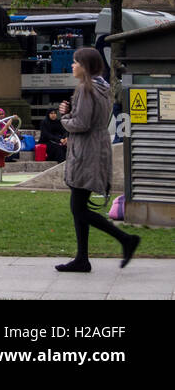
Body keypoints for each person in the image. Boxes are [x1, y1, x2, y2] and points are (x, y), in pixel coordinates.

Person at [55, 47, 140, 273]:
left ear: (85, 66)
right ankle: (82, 258)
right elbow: (91, 117)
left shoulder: (85, 88)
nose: (72, 65)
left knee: (78, 209)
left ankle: (126, 239)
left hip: (85, 153)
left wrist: (64, 117)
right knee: (79, 206)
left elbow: (81, 124)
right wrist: (72, 109)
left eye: (75, 62)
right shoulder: (102, 87)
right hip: (98, 148)